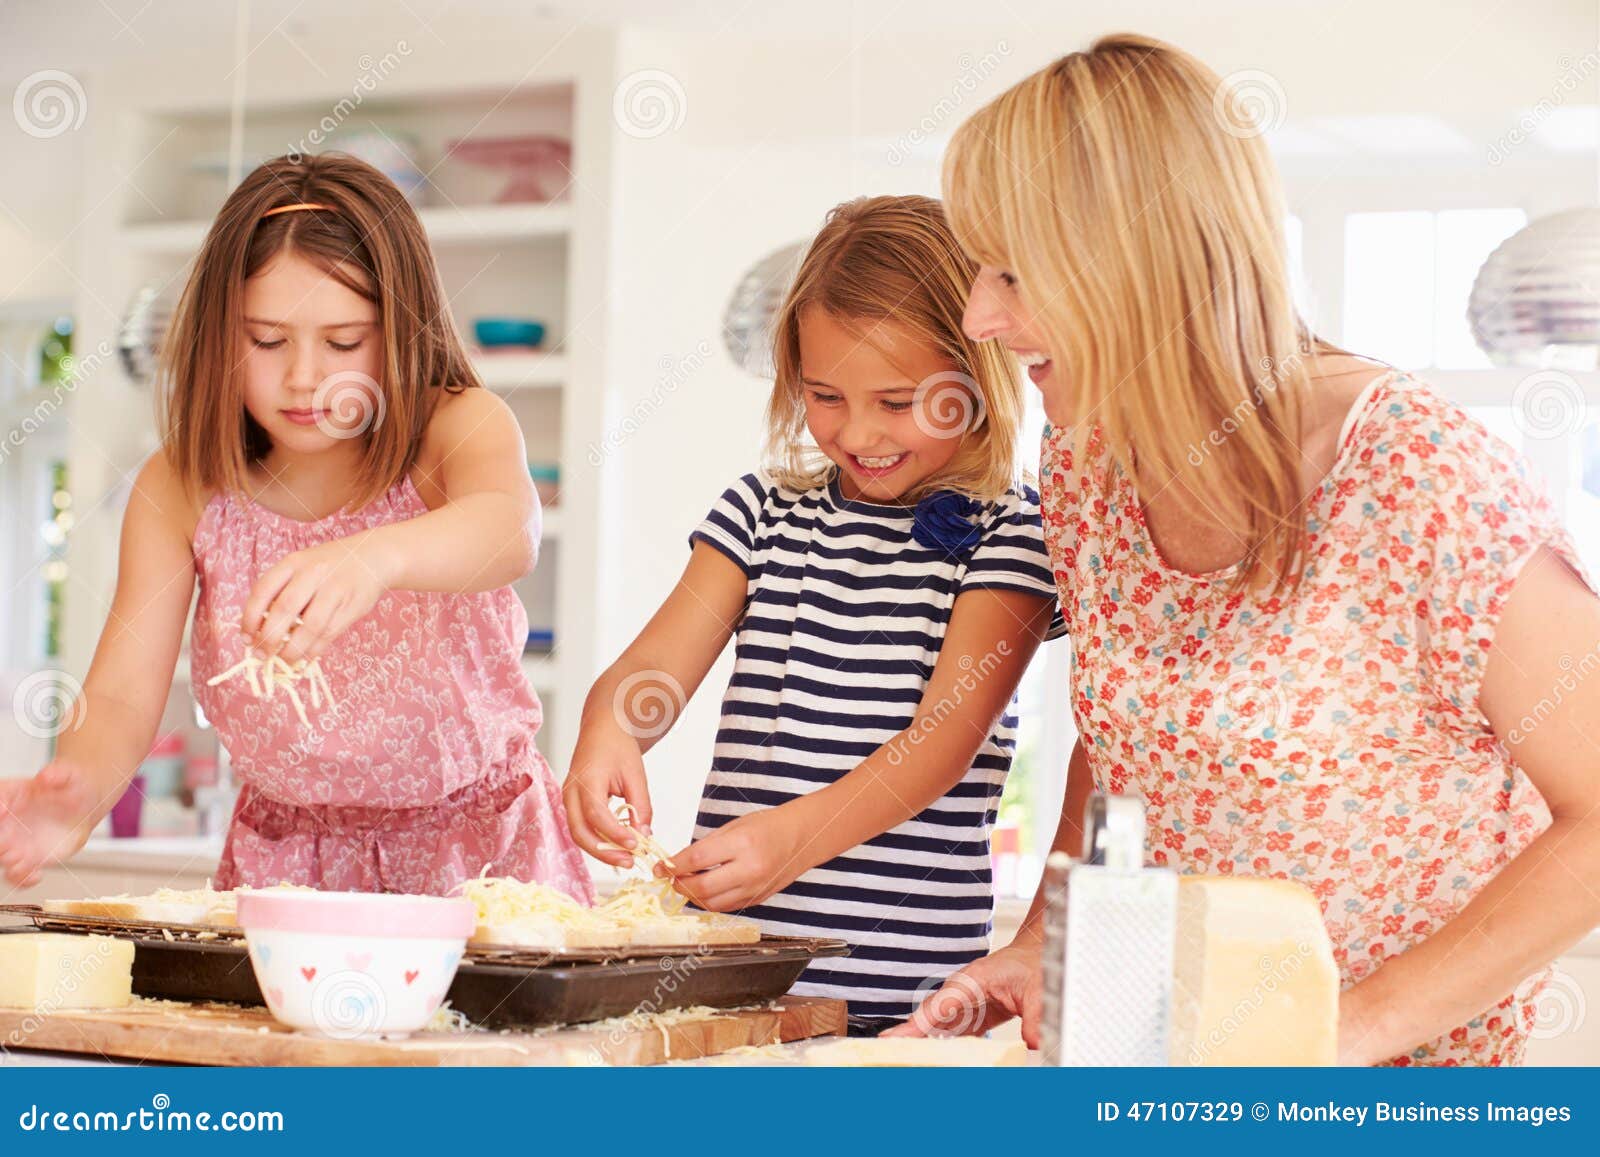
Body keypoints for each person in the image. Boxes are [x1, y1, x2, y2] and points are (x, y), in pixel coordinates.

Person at [894, 33, 1600, 1065]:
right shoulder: (1092, 458)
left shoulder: (1412, 472)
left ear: (1137, 254)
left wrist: (1341, 1031)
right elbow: (1132, 734)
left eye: (1010, 270)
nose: (978, 317)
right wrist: (1046, 933)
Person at [0, 153, 593, 902]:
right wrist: (75, 795)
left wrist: (374, 560)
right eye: (268, 340)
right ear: (219, 337)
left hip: (480, 856)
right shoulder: (180, 485)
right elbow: (121, 695)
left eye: (344, 341)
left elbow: (509, 529)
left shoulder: (455, 428)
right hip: (288, 868)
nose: (305, 376)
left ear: (400, 331)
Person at [565, 195, 1060, 1032]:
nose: (858, 431)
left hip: (904, 993)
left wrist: (794, 838)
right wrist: (607, 731)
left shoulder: (1009, 534)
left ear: (977, 377)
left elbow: (945, 739)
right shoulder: (763, 511)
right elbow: (655, 669)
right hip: (733, 984)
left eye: (897, 402)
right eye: (825, 396)